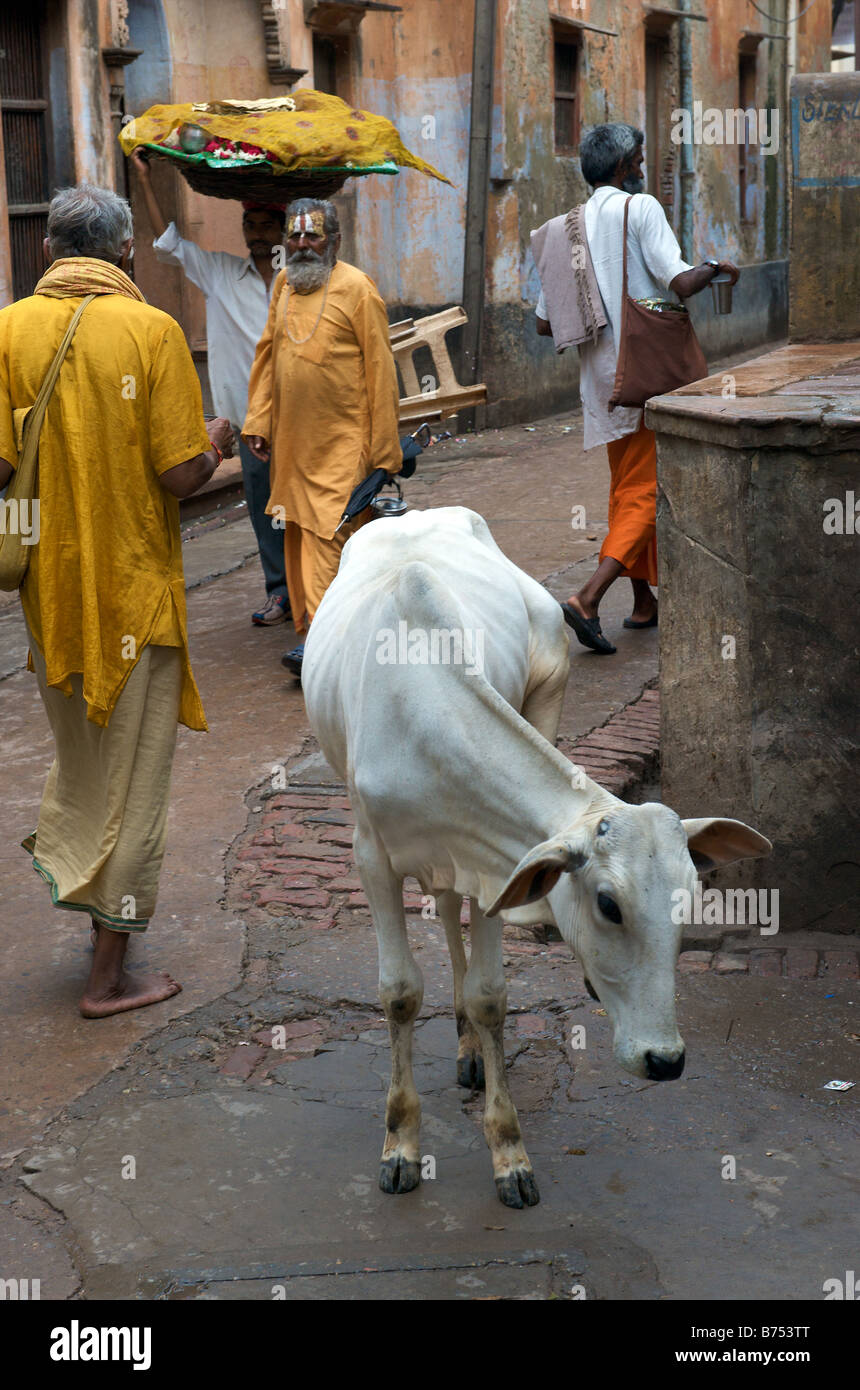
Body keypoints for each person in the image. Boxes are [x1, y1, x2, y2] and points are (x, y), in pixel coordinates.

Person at [0, 183, 233, 1017]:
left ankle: (94, 916)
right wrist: (213, 443)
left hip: (49, 596)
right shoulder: (151, 330)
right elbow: (179, 475)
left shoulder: (10, 328)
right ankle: (107, 979)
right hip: (134, 597)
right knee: (136, 786)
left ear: (47, 253)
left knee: (87, 762)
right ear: (126, 253)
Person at [536, 122, 739, 654]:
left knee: (626, 488)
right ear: (624, 166)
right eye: (641, 161)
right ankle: (587, 597)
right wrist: (716, 267)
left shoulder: (564, 227)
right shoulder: (641, 207)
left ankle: (644, 601)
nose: (645, 170)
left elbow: (543, 322)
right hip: (648, 371)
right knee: (646, 491)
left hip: (601, 379)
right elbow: (680, 281)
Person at [243, 197, 402, 677]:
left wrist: (385, 453)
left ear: (334, 241)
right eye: (294, 235)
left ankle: (321, 642)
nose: (301, 244)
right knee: (299, 534)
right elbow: (269, 354)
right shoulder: (284, 285)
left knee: (330, 532)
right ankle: (318, 632)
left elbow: (380, 369)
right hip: (294, 444)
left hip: (344, 441)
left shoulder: (357, 289)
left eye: (312, 236)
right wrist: (258, 419)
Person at [132, 149, 290, 626]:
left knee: (313, 506)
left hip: (305, 414)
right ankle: (280, 591)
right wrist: (147, 179)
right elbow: (168, 242)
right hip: (251, 420)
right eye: (251, 225)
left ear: (283, 231)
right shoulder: (221, 273)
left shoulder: (300, 280)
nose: (258, 234)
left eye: (267, 225)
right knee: (265, 510)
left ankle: (321, 588)